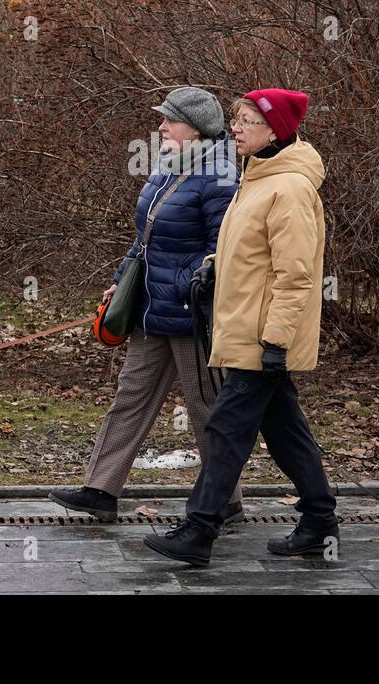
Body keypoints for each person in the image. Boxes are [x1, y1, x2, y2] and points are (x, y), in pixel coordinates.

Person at [144, 88, 337, 566]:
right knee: (286, 431)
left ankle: (200, 528)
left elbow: (295, 277)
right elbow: (248, 252)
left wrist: (276, 341)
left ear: (275, 130)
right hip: (247, 330)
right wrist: (213, 265)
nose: (235, 128)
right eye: (236, 120)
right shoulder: (258, 177)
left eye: (247, 121)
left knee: (226, 428)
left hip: (262, 337)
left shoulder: (288, 189)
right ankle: (319, 519)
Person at [49, 87, 243, 522]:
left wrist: (189, 290)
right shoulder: (168, 168)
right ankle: (100, 489)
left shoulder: (221, 177)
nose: (160, 126)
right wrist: (121, 286)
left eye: (169, 120)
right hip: (150, 310)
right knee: (130, 397)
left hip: (193, 316)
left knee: (205, 407)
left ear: (196, 128)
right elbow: (146, 238)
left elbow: (224, 251)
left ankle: (225, 501)